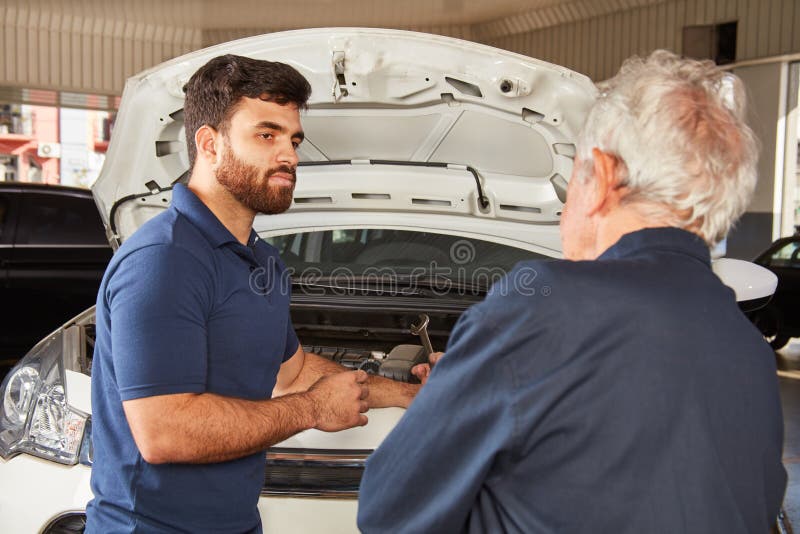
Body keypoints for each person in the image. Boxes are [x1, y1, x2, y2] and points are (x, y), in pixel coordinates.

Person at [357, 50, 787, 533]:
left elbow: (389, 511)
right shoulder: (750, 353)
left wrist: (446, 401)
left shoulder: (542, 306)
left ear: (601, 176)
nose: (564, 215)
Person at [85, 55, 418, 533]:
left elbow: (294, 372)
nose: (289, 156)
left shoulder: (262, 261)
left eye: (293, 139)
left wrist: (412, 395)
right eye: (267, 135)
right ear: (209, 144)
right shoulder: (164, 260)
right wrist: (314, 410)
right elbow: (164, 432)